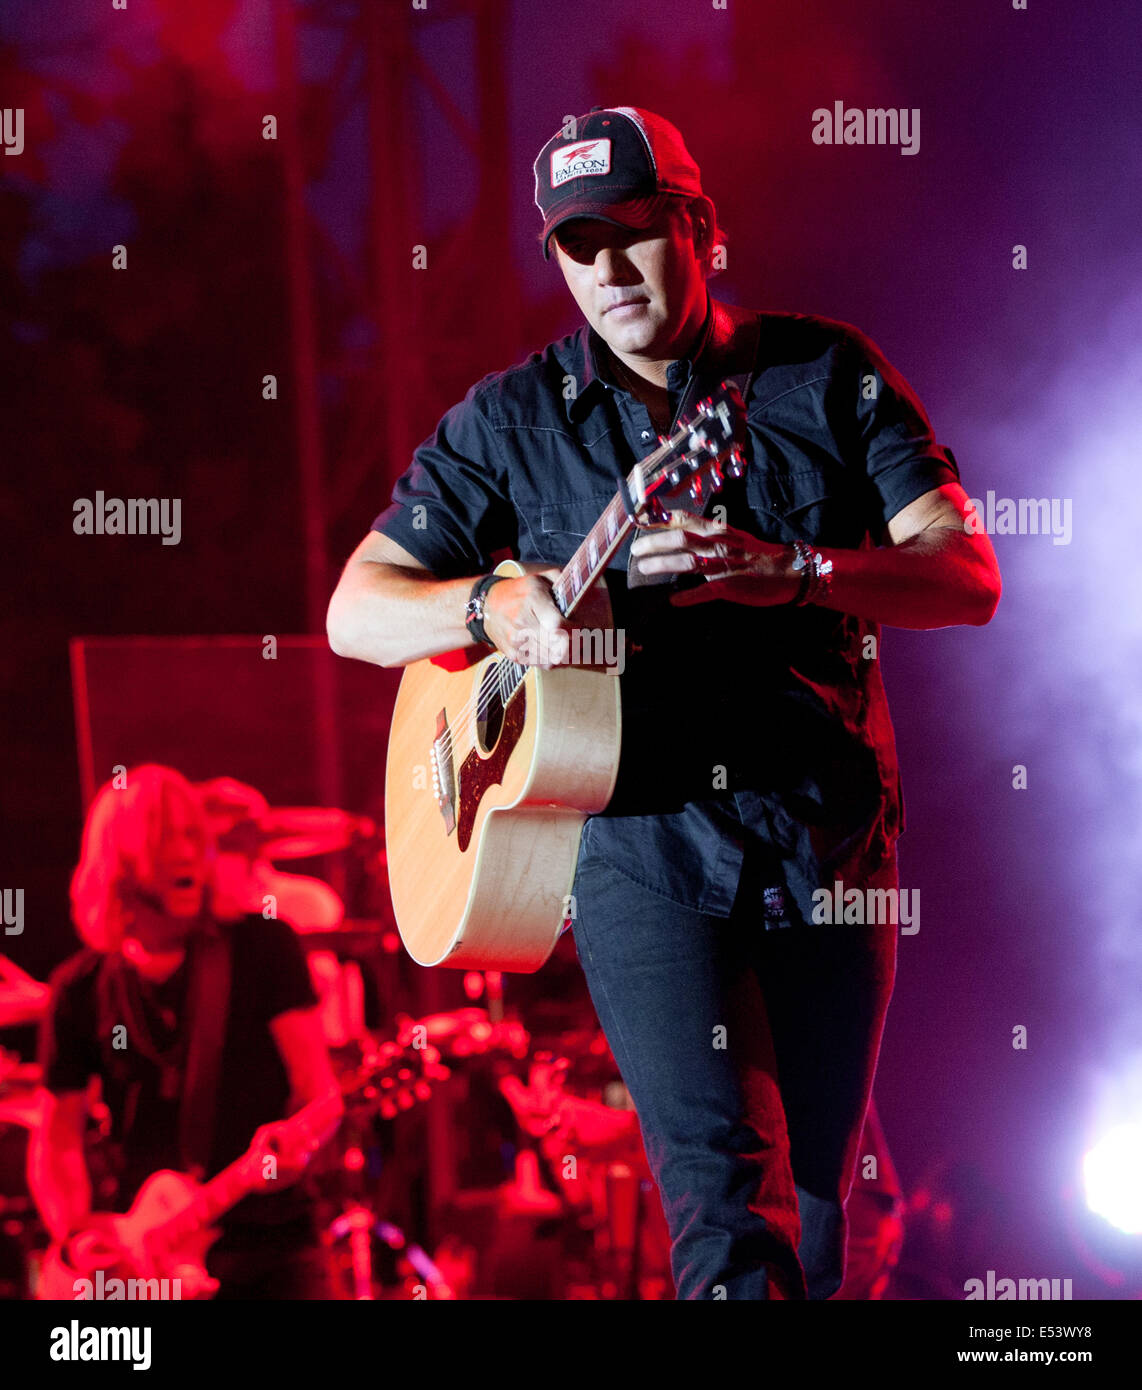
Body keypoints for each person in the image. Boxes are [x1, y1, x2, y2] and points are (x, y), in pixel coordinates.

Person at [326, 106, 1001, 1299]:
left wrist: (794, 569)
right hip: (636, 856)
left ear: (698, 229)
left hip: (824, 841)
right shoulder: (508, 421)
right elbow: (355, 612)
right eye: (577, 247)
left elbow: (966, 579)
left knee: (823, 1223)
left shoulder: (822, 374)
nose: (606, 271)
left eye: (633, 235)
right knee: (723, 1214)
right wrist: (489, 603)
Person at [27, 764, 343, 1299]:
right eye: (161, 837)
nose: (184, 852)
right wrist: (79, 1239)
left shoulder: (263, 948)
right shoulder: (79, 989)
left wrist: (297, 1151)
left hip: (273, 1244)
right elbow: (56, 1144)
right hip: (148, 1259)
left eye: (192, 834)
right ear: (116, 862)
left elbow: (321, 1095)